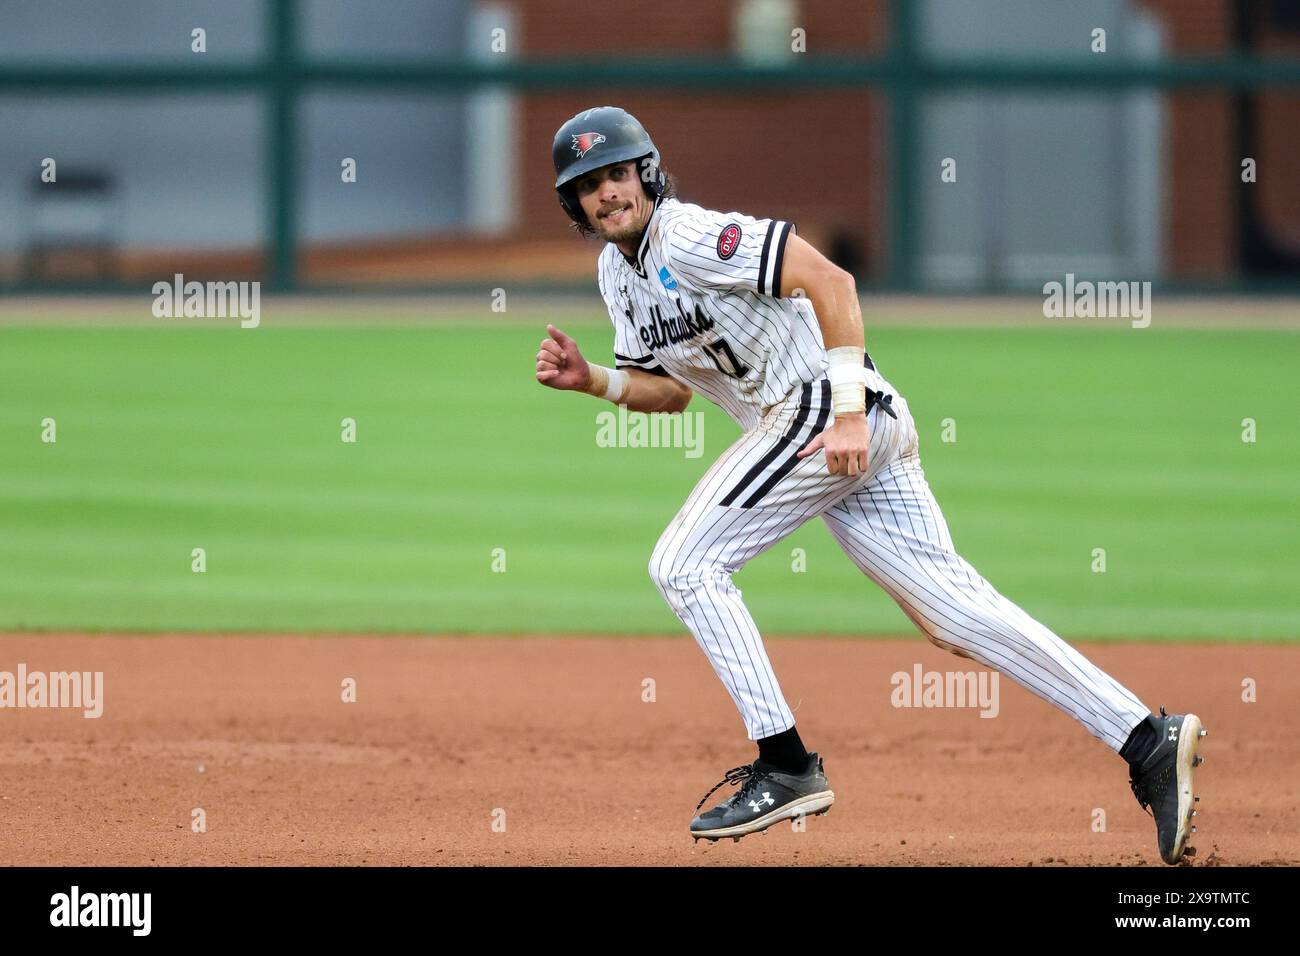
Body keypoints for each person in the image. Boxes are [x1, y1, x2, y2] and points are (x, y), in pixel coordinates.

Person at [536, 106, 1205, 864]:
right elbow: (670, 389)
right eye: (588, 185)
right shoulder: (614, 275)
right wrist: (594, 381)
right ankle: (1147, 740)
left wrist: (847, 410)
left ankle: (786, 765)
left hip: (825, 411)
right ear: (576, 204)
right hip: (832, 428)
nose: (607, 193)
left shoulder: (688, 236)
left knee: (683, 563)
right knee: (954, 617)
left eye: (617, 173)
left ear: (646, 173)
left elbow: (831, 280)